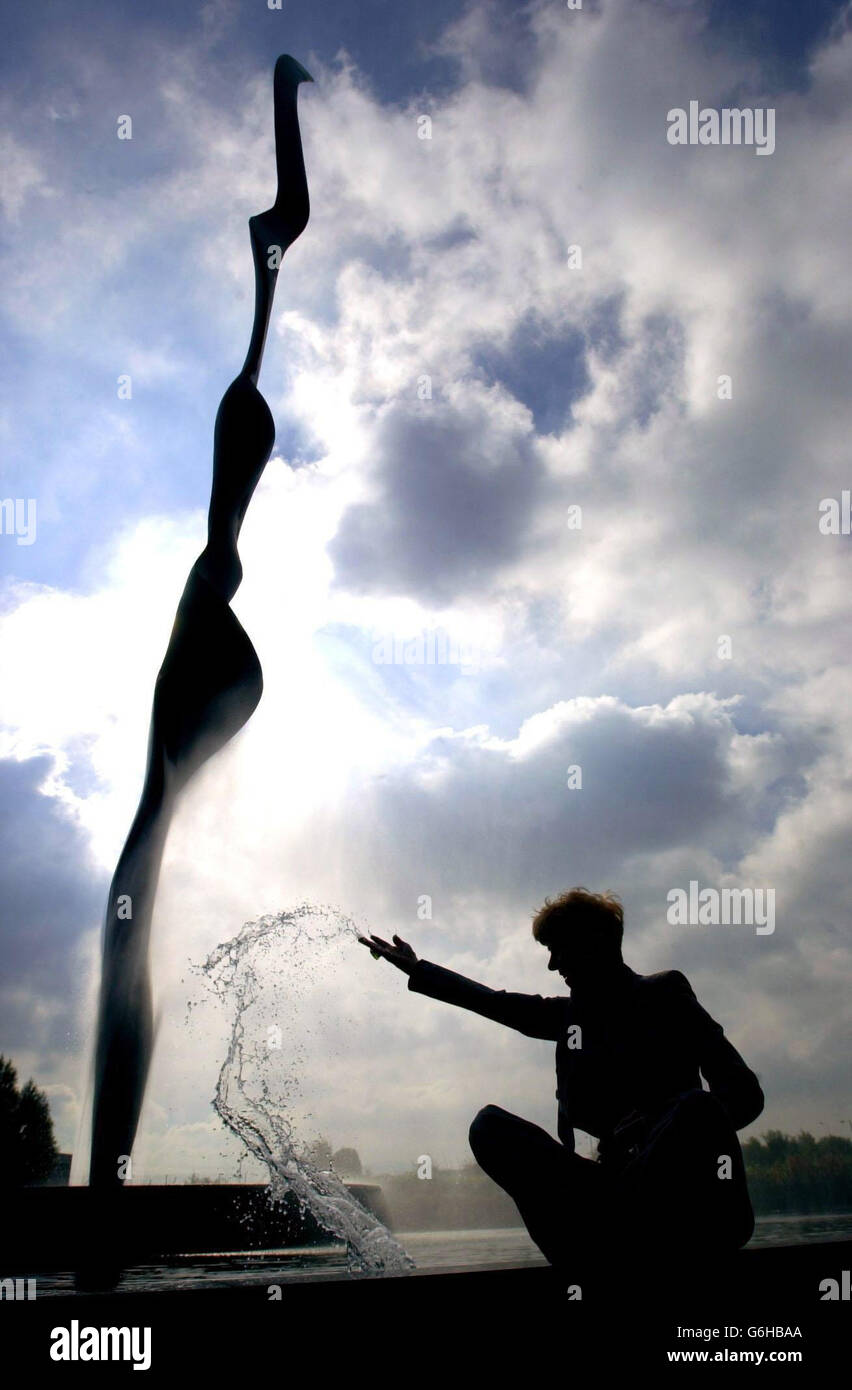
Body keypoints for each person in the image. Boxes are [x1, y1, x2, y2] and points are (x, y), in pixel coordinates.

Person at [358, 887, 764, 1274]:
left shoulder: (665, 994)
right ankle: (590, 1251)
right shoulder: (568, 1018)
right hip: (613, 1199)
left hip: (693, 1206)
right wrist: (418, 969)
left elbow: (744, 1096)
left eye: (559, 949)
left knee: (696, 1106)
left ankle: (622, 1242)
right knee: (490, 1127)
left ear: (596, 944)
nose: (553, 965)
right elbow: (493, 1002)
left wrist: (658, 1120)